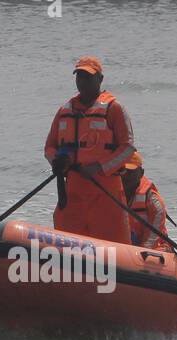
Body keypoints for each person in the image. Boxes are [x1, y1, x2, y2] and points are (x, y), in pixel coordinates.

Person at [44, 56, 136, 243]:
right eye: (79, 77)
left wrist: (99, 167)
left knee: (113, 245)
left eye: (88, 77)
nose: (82, 81)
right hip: (72, 191)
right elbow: (49, 147)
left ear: (100, 79)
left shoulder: (114, 109)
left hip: (106, 191)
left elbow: (127, 147)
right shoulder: (64, 110)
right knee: (68, 243)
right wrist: (57, 162)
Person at [118, 152, 169, 249]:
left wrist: (139, 253)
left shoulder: (153, 200)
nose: (126, 176)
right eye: (123, 171)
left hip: (152, 247)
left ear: (141, 173)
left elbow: (152, 239)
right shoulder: (111, 193)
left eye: (131, 172)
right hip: (123, 245)